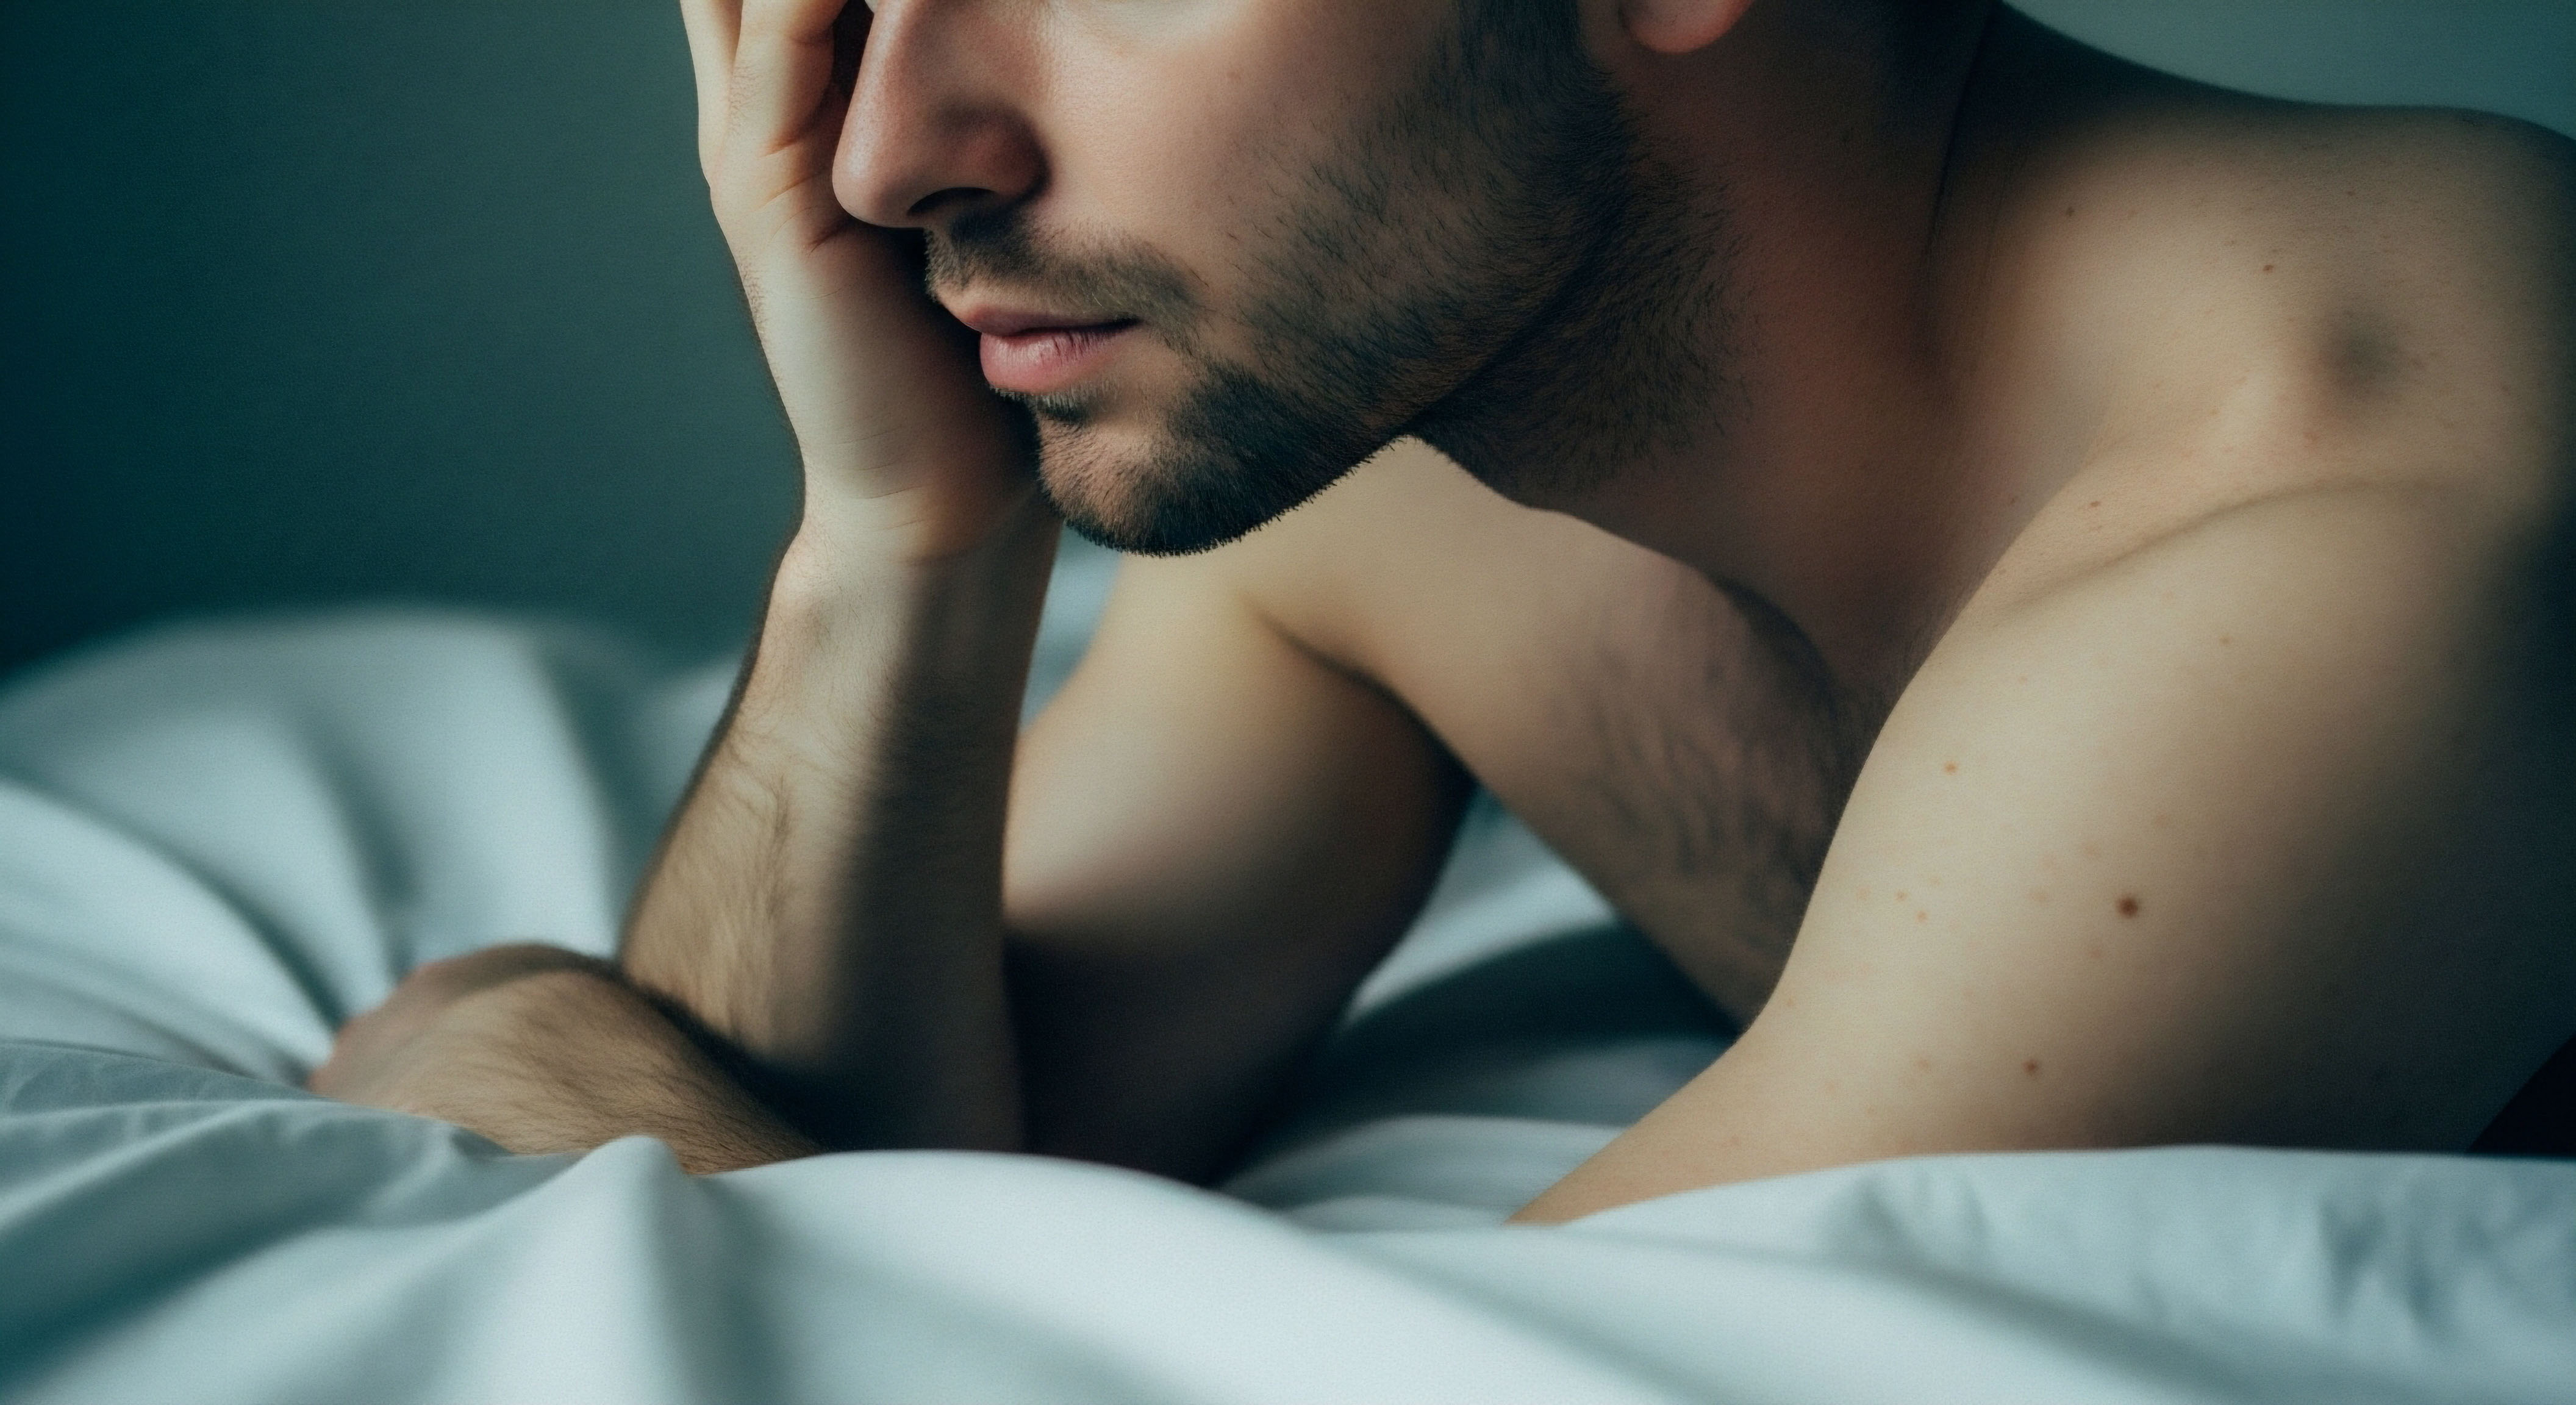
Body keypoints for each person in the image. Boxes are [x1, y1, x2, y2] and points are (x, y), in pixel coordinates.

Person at [310, 0, 2576, 1220]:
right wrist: (900, 542)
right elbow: (896, 1154)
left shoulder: (2365, 535)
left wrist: (525, 1060)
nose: (890, 157)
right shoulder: (1410, 457)